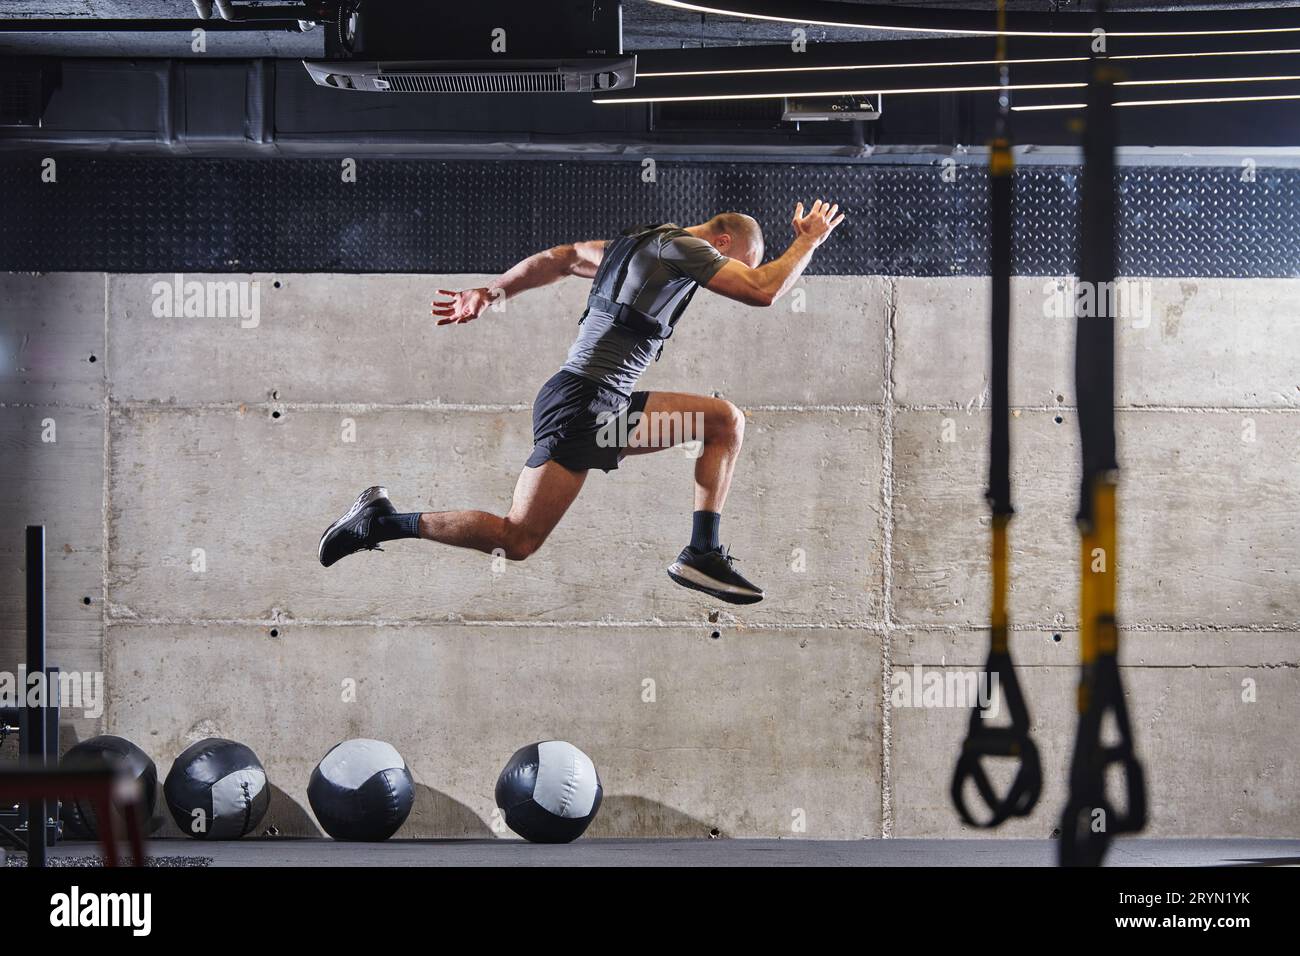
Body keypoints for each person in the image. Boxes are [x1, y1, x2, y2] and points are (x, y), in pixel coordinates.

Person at [320, 200, 846, 604]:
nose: (717, 281)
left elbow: (565, 258)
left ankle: (701, 551)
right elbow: (762, 290)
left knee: (720, 423)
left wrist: (491, 291)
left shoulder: (634, 247)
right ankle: (382, 521)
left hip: (602, 408)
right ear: (723, 242)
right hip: (584, 406)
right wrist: (808, 243)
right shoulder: (682, 247)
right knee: (517, 537)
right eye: (729, 265)